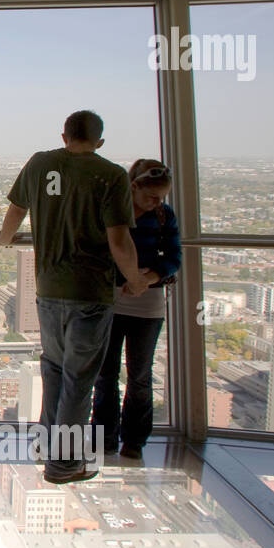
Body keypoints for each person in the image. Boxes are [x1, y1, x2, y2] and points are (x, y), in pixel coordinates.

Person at [0, 110, 149, 485]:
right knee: (79, 380)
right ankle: (63, 464)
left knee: (53, 369)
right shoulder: (110, 175)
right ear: (99, 141)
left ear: (64, 135)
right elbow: (119, 240)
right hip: (91, 292)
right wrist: (136, 279)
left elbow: (17, 209)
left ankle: (46, 445)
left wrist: (3, 239)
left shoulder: (40, 163)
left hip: (48, 288)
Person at [92, 159, 181, 461]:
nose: (158, 202)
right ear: (134, 187)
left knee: (140, 376)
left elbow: (174, 256)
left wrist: (147, 279)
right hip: (113, 301)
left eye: (161, 197)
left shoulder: (163, 216)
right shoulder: (112, 212)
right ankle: (104, 438)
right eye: (152, 196)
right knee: (106, 373)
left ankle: (134, 441)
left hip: (148, 304)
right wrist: (132, 278)